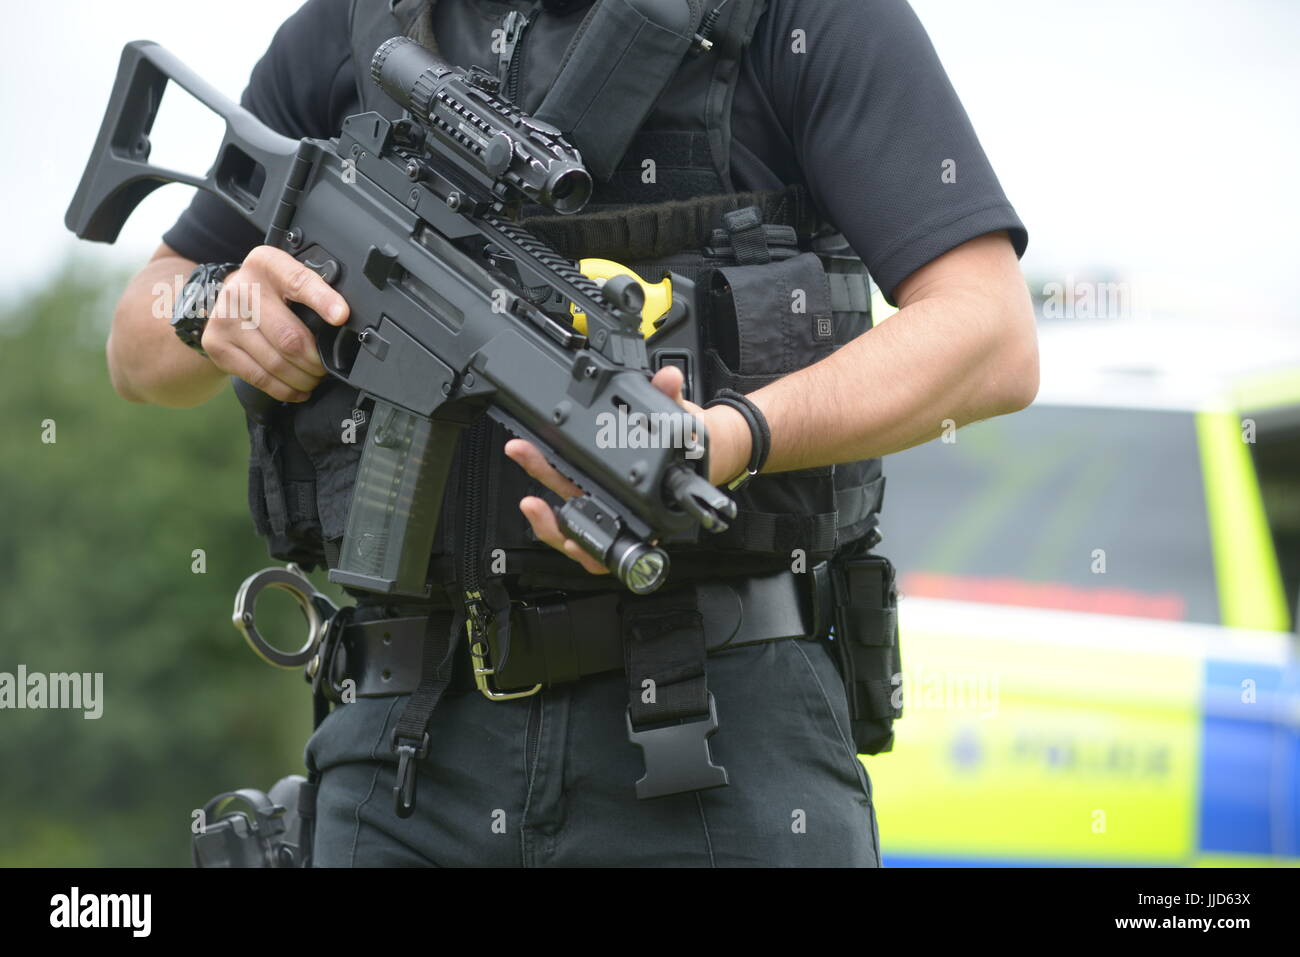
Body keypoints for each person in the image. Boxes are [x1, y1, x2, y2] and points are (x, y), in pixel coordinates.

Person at [106, 0, 1037, 867]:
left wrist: (736, 435)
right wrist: (209, 306)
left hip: (714, 730)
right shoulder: (356, 27)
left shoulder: (796, 19)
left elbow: (990, 335)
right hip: (398, 746)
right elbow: (136, 341)